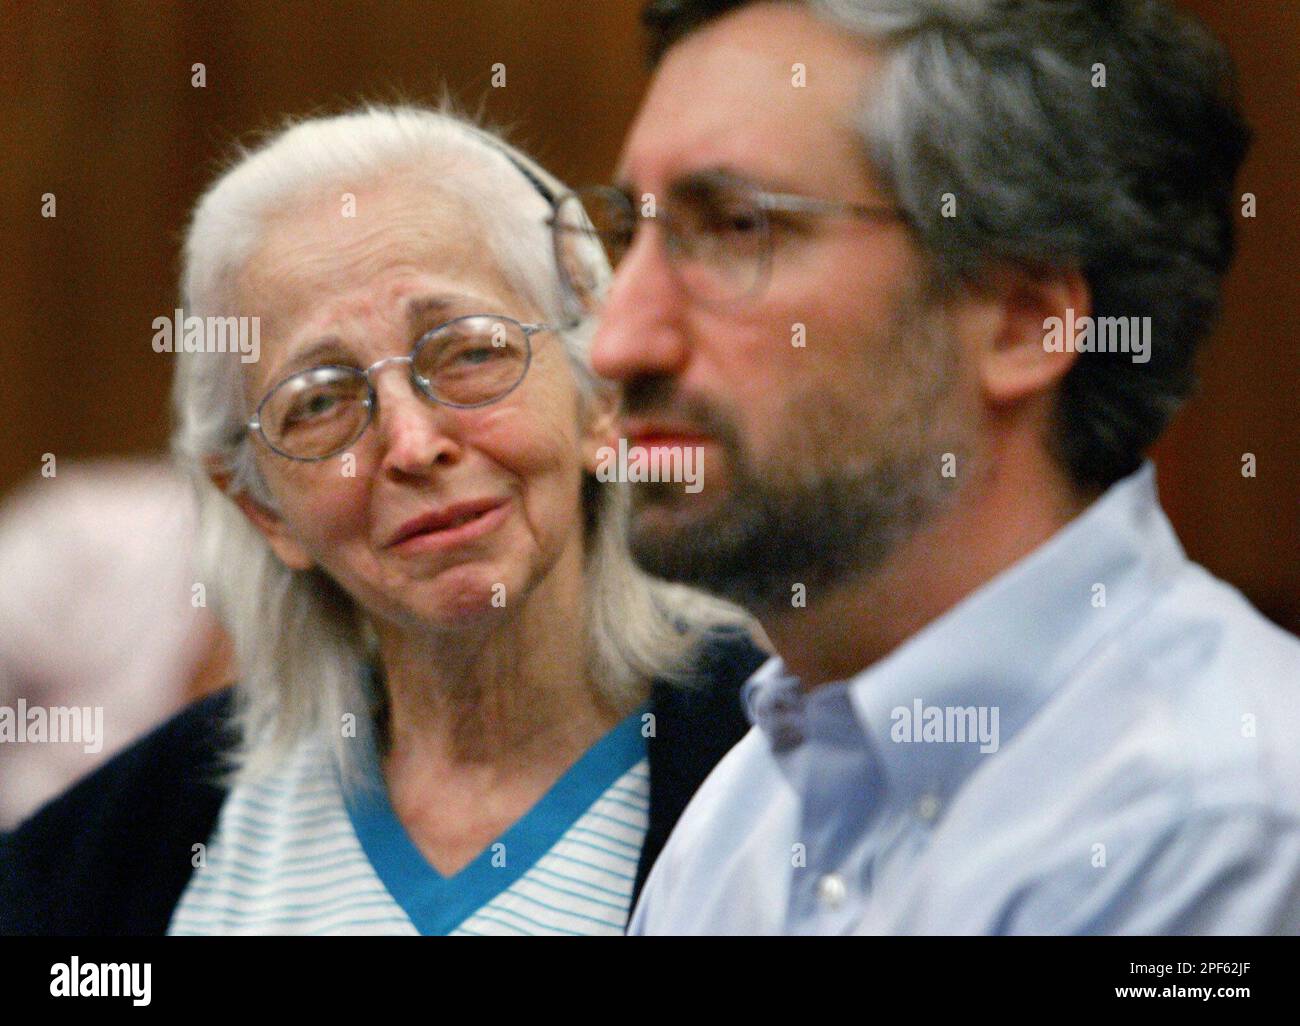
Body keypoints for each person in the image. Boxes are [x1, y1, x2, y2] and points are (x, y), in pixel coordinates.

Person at [549, 0, 1300, 933]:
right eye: (632, 237)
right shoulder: (735, 826)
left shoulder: (1227, 831)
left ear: (1024, 322)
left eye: (738, 228)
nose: (618, 341)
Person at [0, 104, 766, 935]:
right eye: (319, 401)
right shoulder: (119, 858)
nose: (411, 443)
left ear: (598, 398)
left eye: (470, 351)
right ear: (261, 507)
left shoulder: (777, 770)